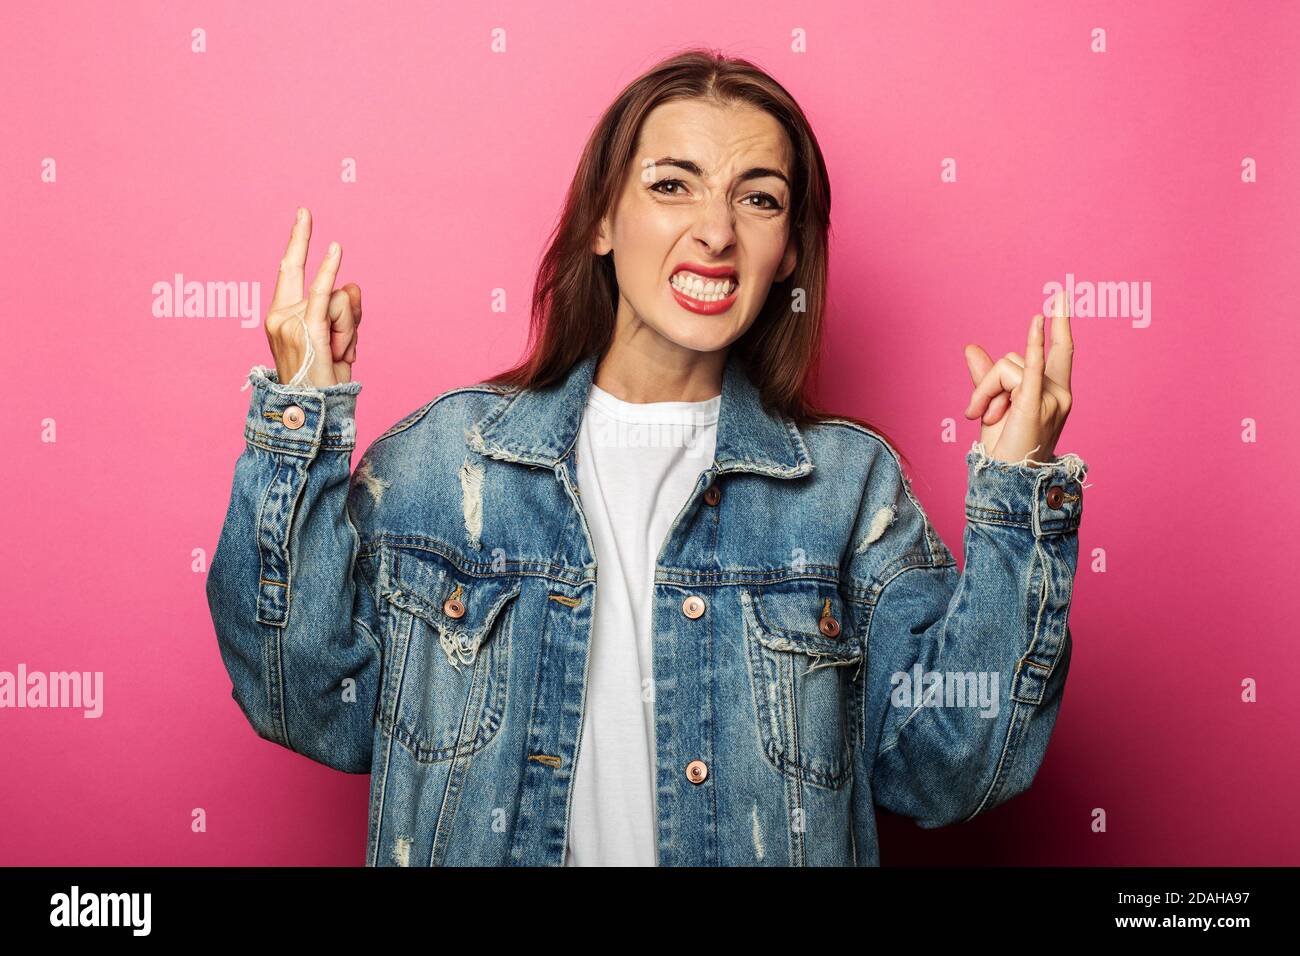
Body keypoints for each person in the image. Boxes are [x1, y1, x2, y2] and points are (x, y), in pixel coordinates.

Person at [206, 48, 1088, 867]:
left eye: (759, 198)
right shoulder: (446, 461)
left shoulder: (847, 490)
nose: (715, 232)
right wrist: (300, 417)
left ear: (788, 255)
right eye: (674, 184)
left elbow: (946, 769)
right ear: (600, 219)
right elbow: (303, 694)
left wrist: (1018, 501)